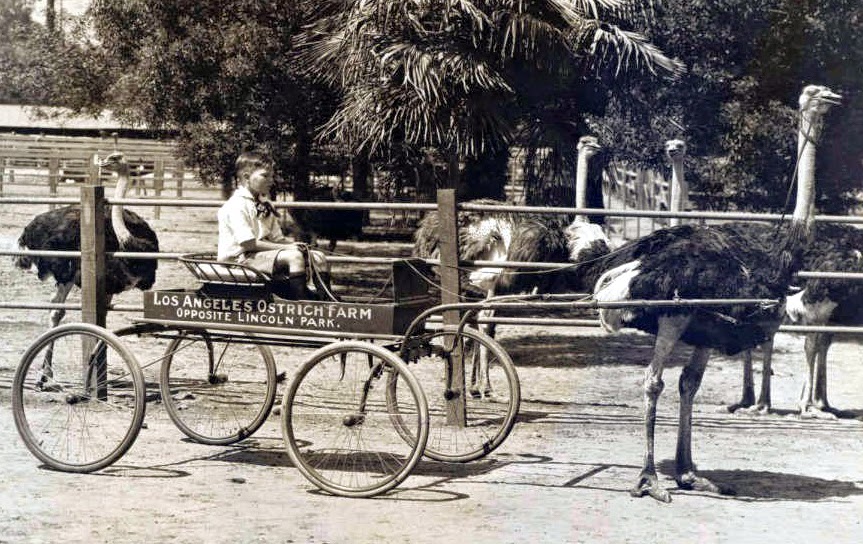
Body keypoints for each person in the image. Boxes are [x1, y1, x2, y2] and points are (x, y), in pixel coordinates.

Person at [217, 151, 330, 299]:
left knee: (318, 256)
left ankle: (326, 299)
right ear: (246, 177)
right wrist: (289, 248)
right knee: (294, 257)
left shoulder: (264, 204)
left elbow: (277, 239)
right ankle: (302, 301)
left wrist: (295, 245)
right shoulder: (236, 205)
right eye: (265, 176)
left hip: (259, 256)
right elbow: (248, 244)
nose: (271, 181)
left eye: (272, 176)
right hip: (239, 260)